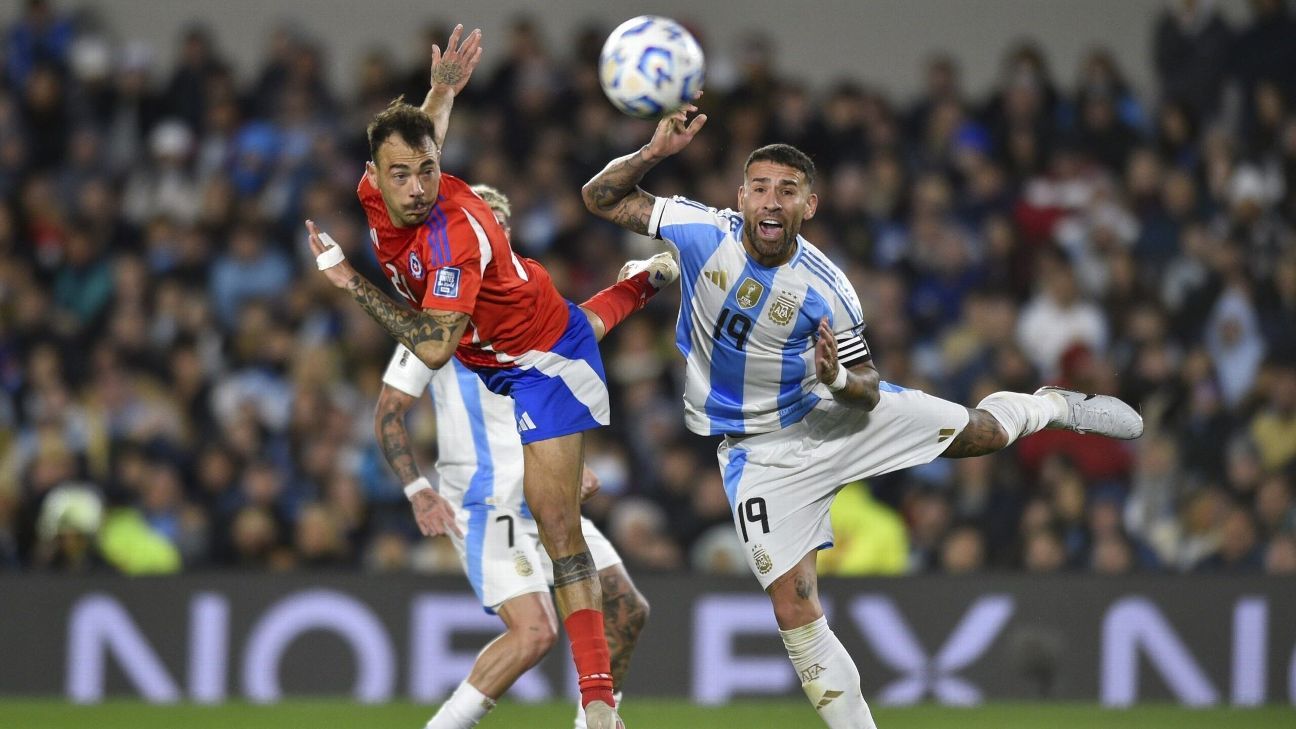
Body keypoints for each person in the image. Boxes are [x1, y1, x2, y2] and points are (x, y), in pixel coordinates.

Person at [581, 103, 1143, 729]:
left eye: (788, 191)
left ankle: (1052, 404)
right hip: (756, 452)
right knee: (795, 608)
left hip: (829, 414)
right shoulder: (697, 229)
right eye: (761, 188)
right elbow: (601, 198)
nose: (772, 201)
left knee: (980, 435)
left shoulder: (828, 289)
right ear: (741, 196)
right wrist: (653, 153)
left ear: (809, 207)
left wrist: (838, 377)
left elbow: (868, 385)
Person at [305, 27, 669, 728]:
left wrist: (350, 279)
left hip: (536, 367)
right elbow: (422, 143)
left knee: (565, 528)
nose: (416, 187)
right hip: (495, 421)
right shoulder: (386, 188)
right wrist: (442, 90)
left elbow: (437, 346)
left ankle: (596, 709)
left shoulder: (454, 242)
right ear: (374, 176)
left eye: (425, 173)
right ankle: (642, 284)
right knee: (534, 626)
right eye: (400, 174)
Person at [376, 184, 657, 729]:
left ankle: (592, 721)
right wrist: (418, 489)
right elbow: (389, 411)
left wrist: (572, 465)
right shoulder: (436, 320)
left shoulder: (533, 307)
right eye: (479, 224)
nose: (491, 233)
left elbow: (564, 380)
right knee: (535, 633)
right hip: (486, 502)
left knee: (628, 611)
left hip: (544, 494)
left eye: (499, 223)